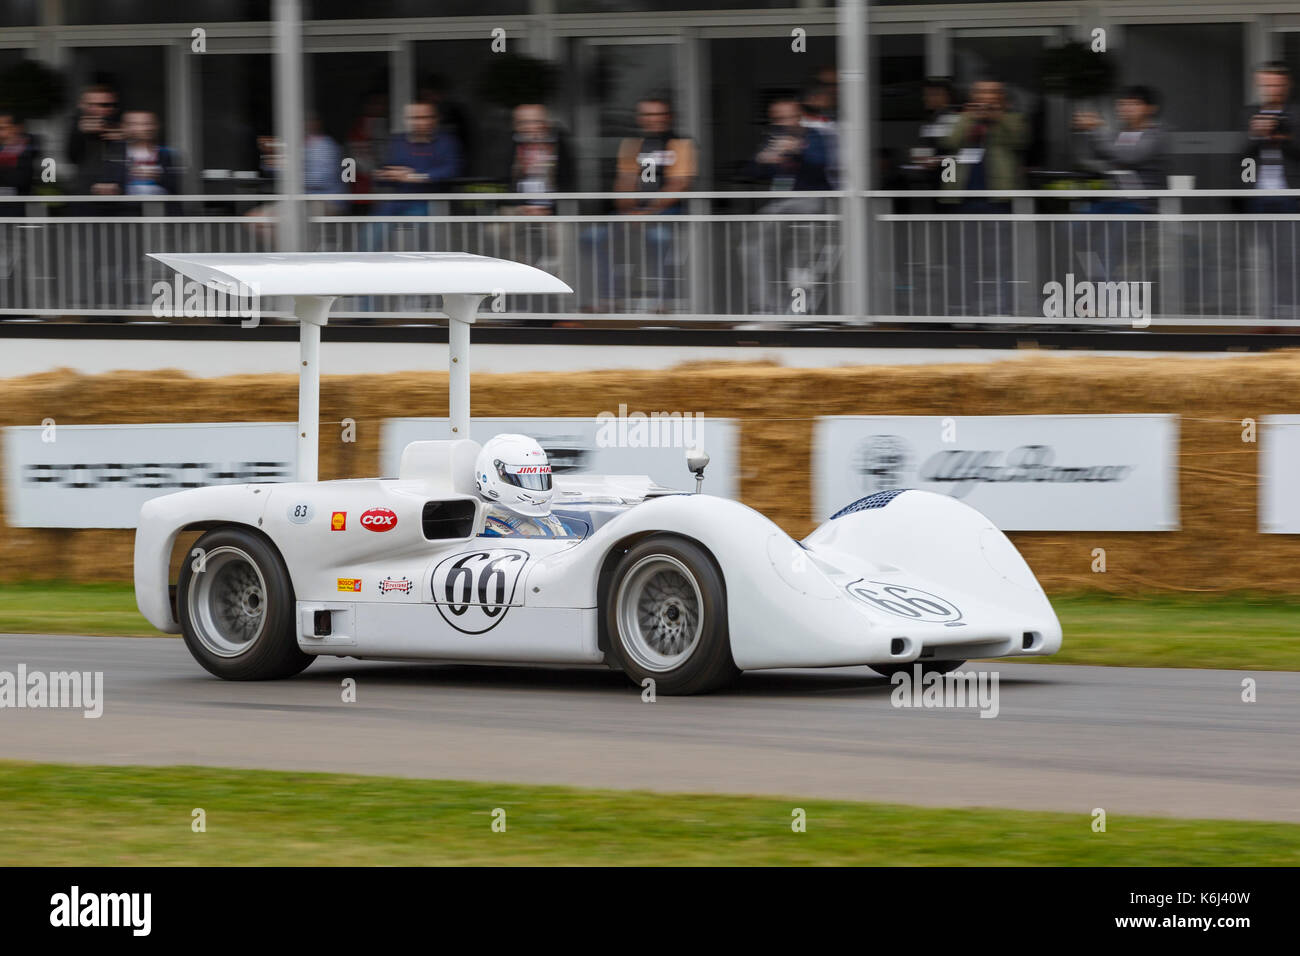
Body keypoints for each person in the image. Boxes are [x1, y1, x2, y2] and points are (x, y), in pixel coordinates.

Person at [581, 95, 698, 312]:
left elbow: (678, 184)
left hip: (667, 211)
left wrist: (648, 213)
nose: (653, 119)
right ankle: (609, 298)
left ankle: (664, 301)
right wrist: (628, 210)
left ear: (669, 117)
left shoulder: (681, 144)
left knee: (659, 238)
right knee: (593, 236)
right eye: (647, 114)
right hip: (634, 212)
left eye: (658, 114)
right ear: (639, 118)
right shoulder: (632, 144)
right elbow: (624, 181)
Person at [941, 78, 1027, 316]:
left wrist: (997, 117)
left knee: (1000, 258)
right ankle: (965, 310)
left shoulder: (1012, 118)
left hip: (997, 201)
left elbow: (1020, 141)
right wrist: (970, 117)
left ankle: (1004, 310)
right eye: (980, 92)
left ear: (1001, 96)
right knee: (964, 259)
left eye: (991, 93)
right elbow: (949, 142)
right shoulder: (964, 117)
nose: (985, 98)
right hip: (964, 199)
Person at [1071, 86, 1169, 290]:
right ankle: (1101, 286)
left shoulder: (1155, 134)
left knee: (1106, 245)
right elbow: (1095, 157)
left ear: (1150, 108)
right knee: (1072, 230)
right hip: (1112, 201)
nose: (1126, 109)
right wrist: (1086, 132)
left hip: (1139, 206)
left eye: (1133, 104)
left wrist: (1098, 130)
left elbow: (1129, 157)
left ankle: (1106, 300)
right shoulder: (1117, 134)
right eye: (1123, 104)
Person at [741, 96, 831, 316]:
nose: (783, 122)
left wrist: (797, 150)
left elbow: (821, 164)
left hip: (811, 201)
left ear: (799, 117)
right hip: (780, 203)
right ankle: (766, 309)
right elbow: (750, 172)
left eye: (788, 117)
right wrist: (763, 160)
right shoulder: (771, 139)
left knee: (802, 259)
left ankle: (799, 313)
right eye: (778, 118)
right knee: (752, 247)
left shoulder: (814, 136)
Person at [1243, 62, 1300, 323]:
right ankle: (1270, 315)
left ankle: (1292, 313)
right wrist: (1255, 135)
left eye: (1276, 84)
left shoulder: (1296, 114)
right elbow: (1238, 155)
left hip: (1291, 195)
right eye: (1266, 84)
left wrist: (1283, 138)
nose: (1271, 89)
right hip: (1260, 196)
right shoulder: (1250, 114)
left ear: (1285, 86)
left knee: (1291, 256)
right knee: (1265, 258)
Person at [474, 434, 582, 539]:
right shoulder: (491, 531)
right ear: (494, 475)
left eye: (538, 477)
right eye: (526, 477)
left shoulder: (542, 518)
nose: (537, 487)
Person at [376, 101, 463, 218]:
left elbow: (452, 170)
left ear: (435, 119)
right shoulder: (397, 142)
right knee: (369, 235)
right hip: (395, 203)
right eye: (414, 118)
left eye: (424, 117)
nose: (420, 122)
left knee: (410, 232)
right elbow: (384, 173)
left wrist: (414, 177)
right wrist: (383, 175)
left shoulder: (446, 142)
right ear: (406, 120)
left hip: (428, 203)